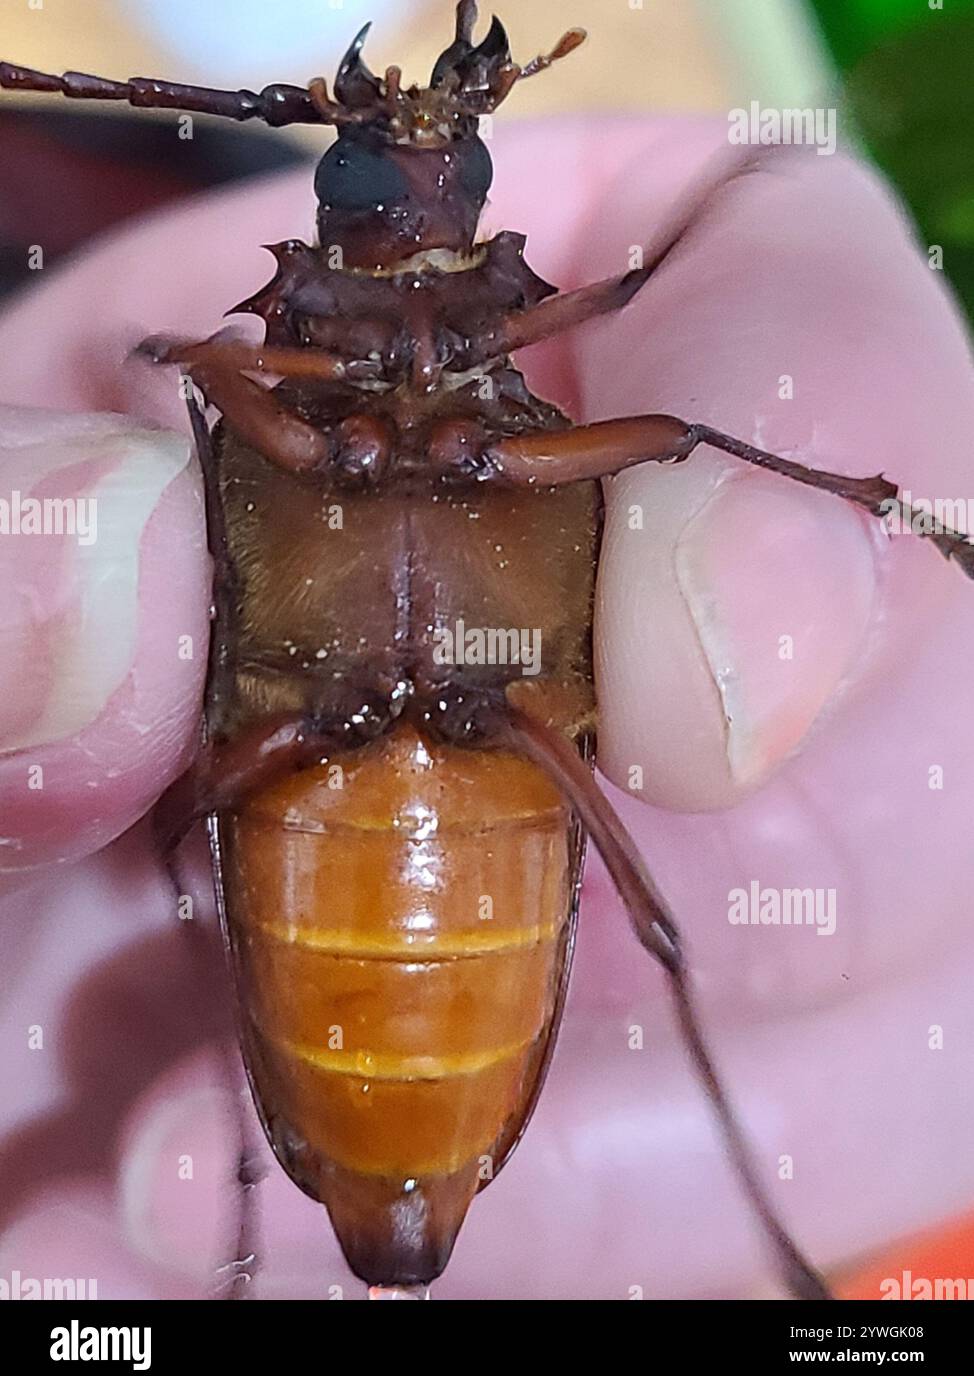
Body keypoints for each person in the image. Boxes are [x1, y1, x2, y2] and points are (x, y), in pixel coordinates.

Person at [1, 117, 972, 1299]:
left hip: (429, 742)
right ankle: (253, 1183)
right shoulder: (298, 386)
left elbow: (658, 380)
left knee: (656, 914)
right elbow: (195, 368)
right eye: (369, 166)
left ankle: (772, 1239)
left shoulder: (420, 390)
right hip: (343, 752)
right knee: (652, 912)